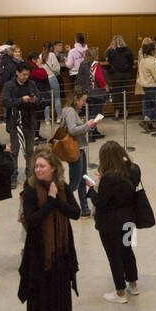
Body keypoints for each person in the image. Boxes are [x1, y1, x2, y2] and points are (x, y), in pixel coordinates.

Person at [19, 150, 79, 311]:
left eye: (42, 166)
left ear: (53, 168)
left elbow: (76, 213)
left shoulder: (63, 187)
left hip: (61, 249)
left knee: (61, 292)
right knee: (40, 295)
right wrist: (50, 202)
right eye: (36, 167)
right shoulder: (30, 191)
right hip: (39, 251)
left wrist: (57, 200)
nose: (38, 170)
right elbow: (32, 220)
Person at [85, 141, 141, 300]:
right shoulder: (134, 170)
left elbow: (100, 202)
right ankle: (133, 285)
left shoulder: (109, 178)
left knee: (114, 256)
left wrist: (92, 187)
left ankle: (120, 292)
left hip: (111, 225)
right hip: (130, 220)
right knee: (128, 251)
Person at [59, 88, 98, 217]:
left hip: (79, 148)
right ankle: (63, 205)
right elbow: (72, 130)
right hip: (75, 149)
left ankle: (84, 207)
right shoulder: (70, 111)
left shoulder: (70, 111)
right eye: (83, 100)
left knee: (83, 178)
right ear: (76, 99)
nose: (84, 103)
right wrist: (87, 125)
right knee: (75, 182)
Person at [2, 67, 40, 181]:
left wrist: (35, 100)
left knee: (30, 150)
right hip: (14, 122)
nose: (26, 77)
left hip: (29, 120)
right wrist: (21, 100)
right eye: (23, 74)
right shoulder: (9, 85)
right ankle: (13, 174)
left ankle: (30, 173)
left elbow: (40, 98)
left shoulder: (31, 83)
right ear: (17, 73)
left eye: (27, 74)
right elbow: (5, 102)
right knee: (14, 151)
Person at [137, 39, 156, 130]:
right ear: (153, 51)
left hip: (144, 86)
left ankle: (149, 124)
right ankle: (147, 120)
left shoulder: (142, 61)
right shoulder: (153, 62)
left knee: (148, 105)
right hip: (152, 86)